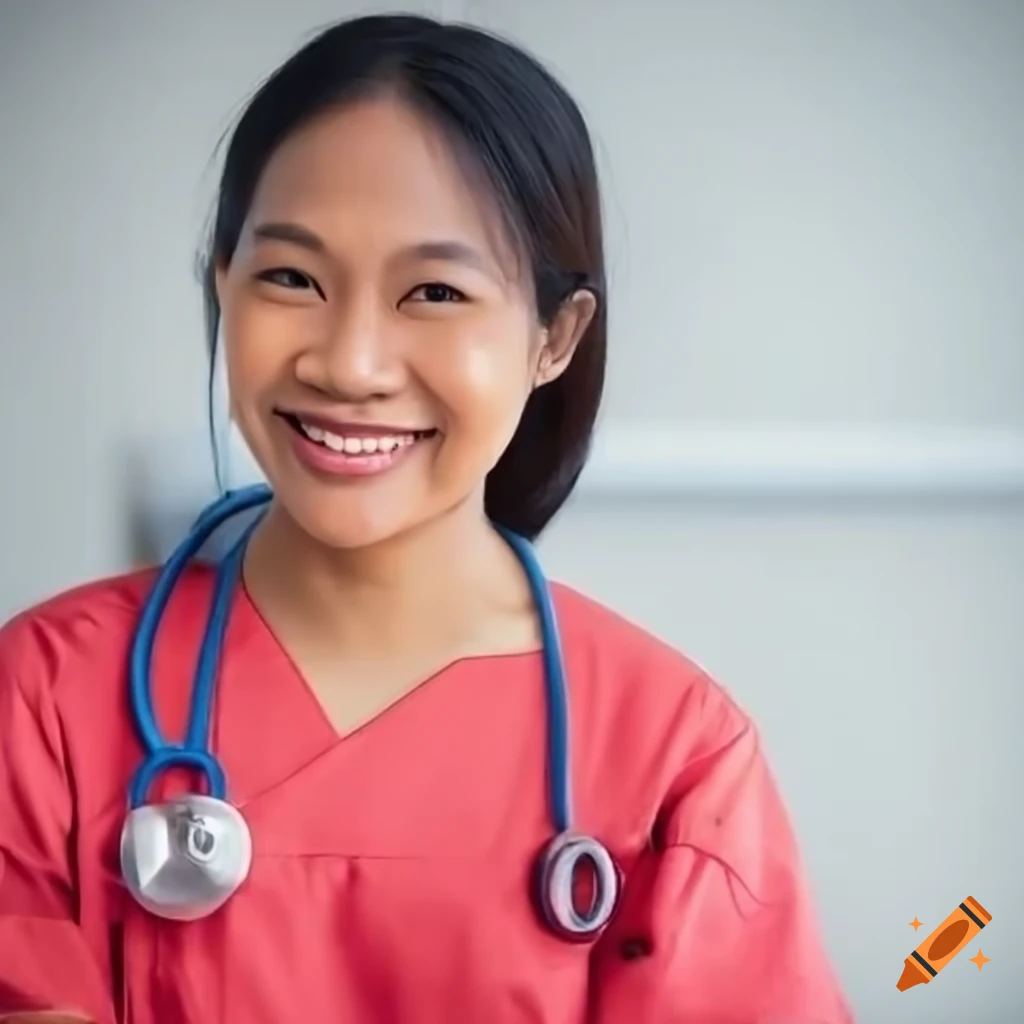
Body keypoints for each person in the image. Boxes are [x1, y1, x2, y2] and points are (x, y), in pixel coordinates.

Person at [0, 14, 853, 1024]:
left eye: (435, 291)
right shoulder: (49, 698)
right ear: (219, 282)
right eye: (290, 278)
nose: (350, 363)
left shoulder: (673, 757)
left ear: (553, 338)